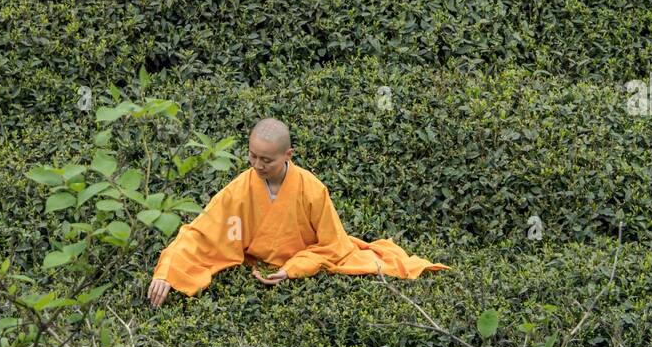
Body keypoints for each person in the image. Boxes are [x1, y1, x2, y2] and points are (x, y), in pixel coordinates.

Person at [147, 119, 447, 306]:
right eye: (252, 156)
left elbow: (333, 245)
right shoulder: (240, 188)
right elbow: (202, 232)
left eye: (266, 159)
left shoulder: (312, 189)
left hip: (295, 259)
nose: (257, 165)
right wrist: (168, 271)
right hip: (254, 261)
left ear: (288, 155)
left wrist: (293, 269)